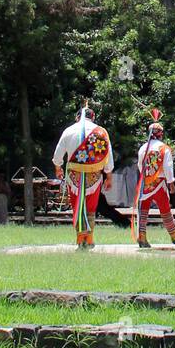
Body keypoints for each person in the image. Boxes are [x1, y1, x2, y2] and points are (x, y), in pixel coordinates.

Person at [53, 105, 112, 249]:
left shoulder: (69, 130)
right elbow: (107, 155)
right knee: (91, 208)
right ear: (93, 117)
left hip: (74, 176)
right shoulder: (101, 132)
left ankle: (80, 240)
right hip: (94, 175)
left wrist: (58, 167)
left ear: (77, 117)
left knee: (77, 206)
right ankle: (89, 239)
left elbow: (58, 154)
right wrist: (108, 174)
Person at [135, 112, 175, 248]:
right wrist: (171, 183)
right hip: (159, 183)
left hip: (145, 183)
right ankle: (174, 235)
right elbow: (168, 167)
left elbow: (140, 165)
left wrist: (146, 177)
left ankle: (142, 237)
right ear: (160, 134)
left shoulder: (143, 148)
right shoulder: (164, 148)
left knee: (143, 210)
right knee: (165, 209)